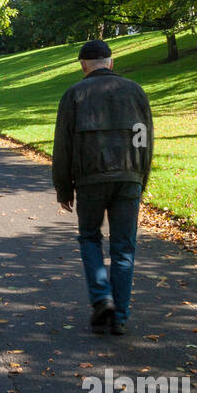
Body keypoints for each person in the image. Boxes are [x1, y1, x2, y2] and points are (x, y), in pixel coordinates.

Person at [51, 39, 153, 335]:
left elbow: (63, 146)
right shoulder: (135, 91)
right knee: (124, 247)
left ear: (83, 66)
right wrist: (140, 178)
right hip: (128, 177)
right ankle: (119, 316)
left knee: (89, 238)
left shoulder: (74, 95)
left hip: (90, 180)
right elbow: (144, 140)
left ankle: (102, 297)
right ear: (111, 62)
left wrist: (63, 189)